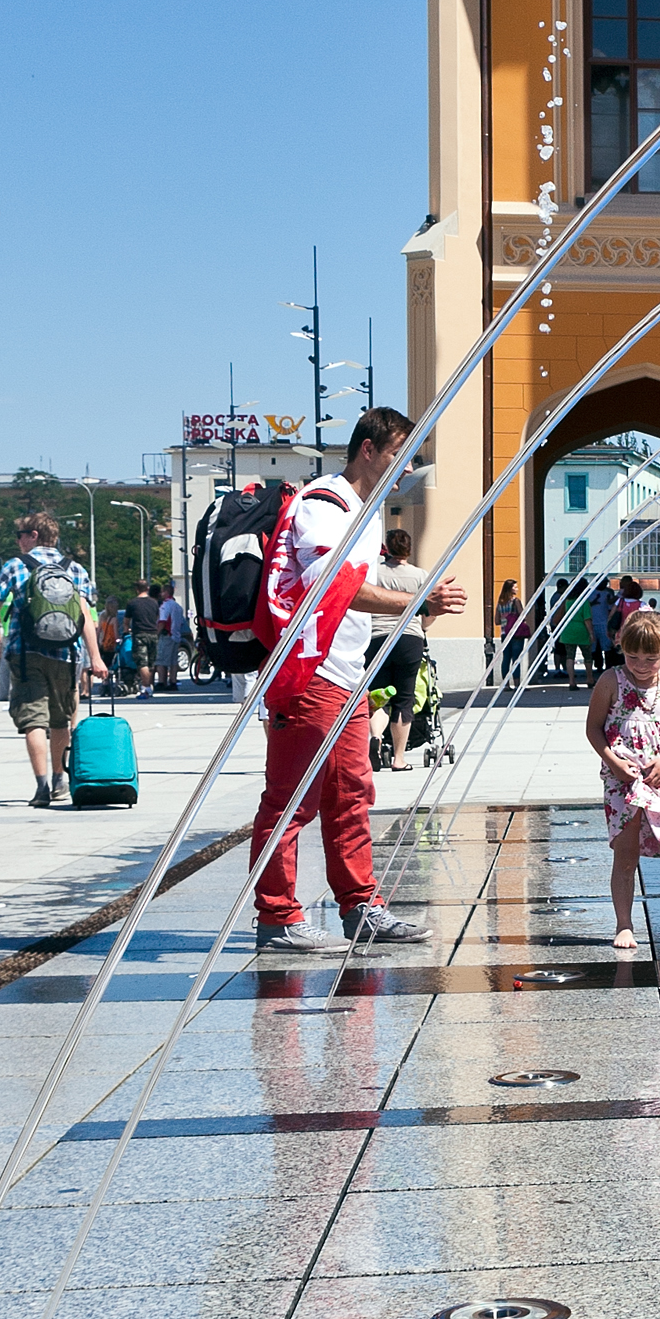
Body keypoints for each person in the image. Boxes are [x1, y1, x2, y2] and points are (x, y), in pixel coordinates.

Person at [249, 407, 465, 954]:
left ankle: (361, 906)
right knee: (292, 799)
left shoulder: (362, 511)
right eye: (399, 455)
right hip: (309, 672)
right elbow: (329, 586)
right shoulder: (325, 504)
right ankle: (277, 916)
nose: (405, 467)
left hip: (346, 674)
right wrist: (418, 600)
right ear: (368, 450)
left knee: (351, 794)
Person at [588, 606, 660, 948]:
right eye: (632, 656)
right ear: (621, 647)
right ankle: (624, 924)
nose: (640, 664)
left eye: (650, 658)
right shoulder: (611, 681)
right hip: (622, 780)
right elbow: (593, 728)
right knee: (626, 853)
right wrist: (613, 762)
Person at [0, 509, 107, 805]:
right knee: (60, 721)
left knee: (33, 721)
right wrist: (96, 658)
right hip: (68, 655)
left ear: (34, 536)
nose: (18, 541)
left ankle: (41, 787)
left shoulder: (16, 566)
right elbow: (85, 615)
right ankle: (60, 782)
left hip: (25, 654)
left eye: (21, 535)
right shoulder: (75, 569)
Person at [366, 527, 429, 772]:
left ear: (387, 548)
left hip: (377, 637)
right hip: (409, 639)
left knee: (377, 697)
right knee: (404, 699)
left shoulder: (374, 572)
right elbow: (429, 611)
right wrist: (423, 627)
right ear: (409, 548)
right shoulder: (420, 576)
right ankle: (398, 759)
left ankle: (376, 738)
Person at [155, 585, 189, 691]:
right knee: (173, 661)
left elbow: (162, 622)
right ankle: (173, 681)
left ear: (166, 592)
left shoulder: (165, 606)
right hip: (176, 636)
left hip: (167, 635)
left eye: (162, 592)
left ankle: (161, 682)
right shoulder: (178, 607)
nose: (160, 594)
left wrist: (156, 634)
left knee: (161, 660)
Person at [493, 579, 524, 687]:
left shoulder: (500, 602)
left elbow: (496, 621)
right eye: (515, 587)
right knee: (516, 659)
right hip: (516, 633)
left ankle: (505, 685)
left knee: (506, 658)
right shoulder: (516, 601)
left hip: (504, 633)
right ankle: (517, 684)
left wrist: (505, 620)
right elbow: (522, 616)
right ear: (510, 589)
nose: (517, 589)